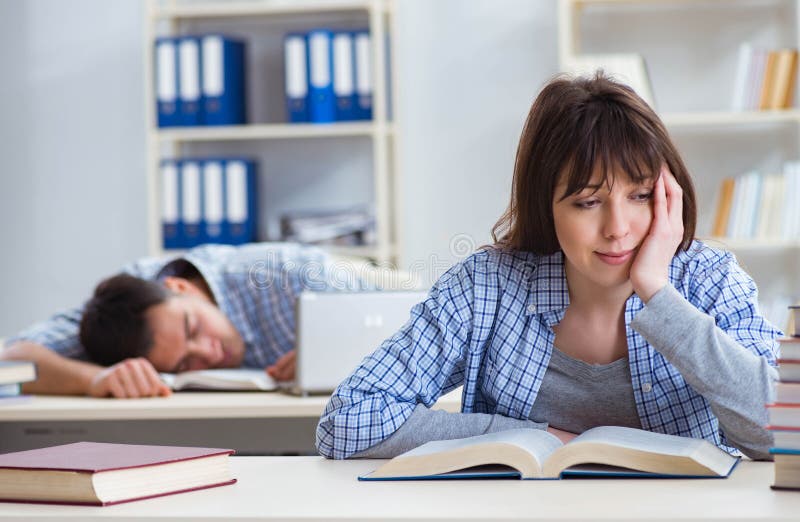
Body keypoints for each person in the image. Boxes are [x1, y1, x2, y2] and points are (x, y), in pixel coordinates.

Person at [316, 72, 781, 461]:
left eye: (639, 196)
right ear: (547, 206)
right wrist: (527, 438)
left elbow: (782, 434)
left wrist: (658, 293)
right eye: (587, 202)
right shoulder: (487, 286)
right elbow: (347, 421)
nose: (618, 228)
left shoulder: (710, 278)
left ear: (668, 197)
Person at [2, 242, 373, 398]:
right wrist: (94, 378)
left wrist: (343, 352)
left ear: (180, 286)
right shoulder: (114, 318)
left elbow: (412, 323)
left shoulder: (290, 274)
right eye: (184, 364)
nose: (209, 355)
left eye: (192, 328)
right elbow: (9, 361)